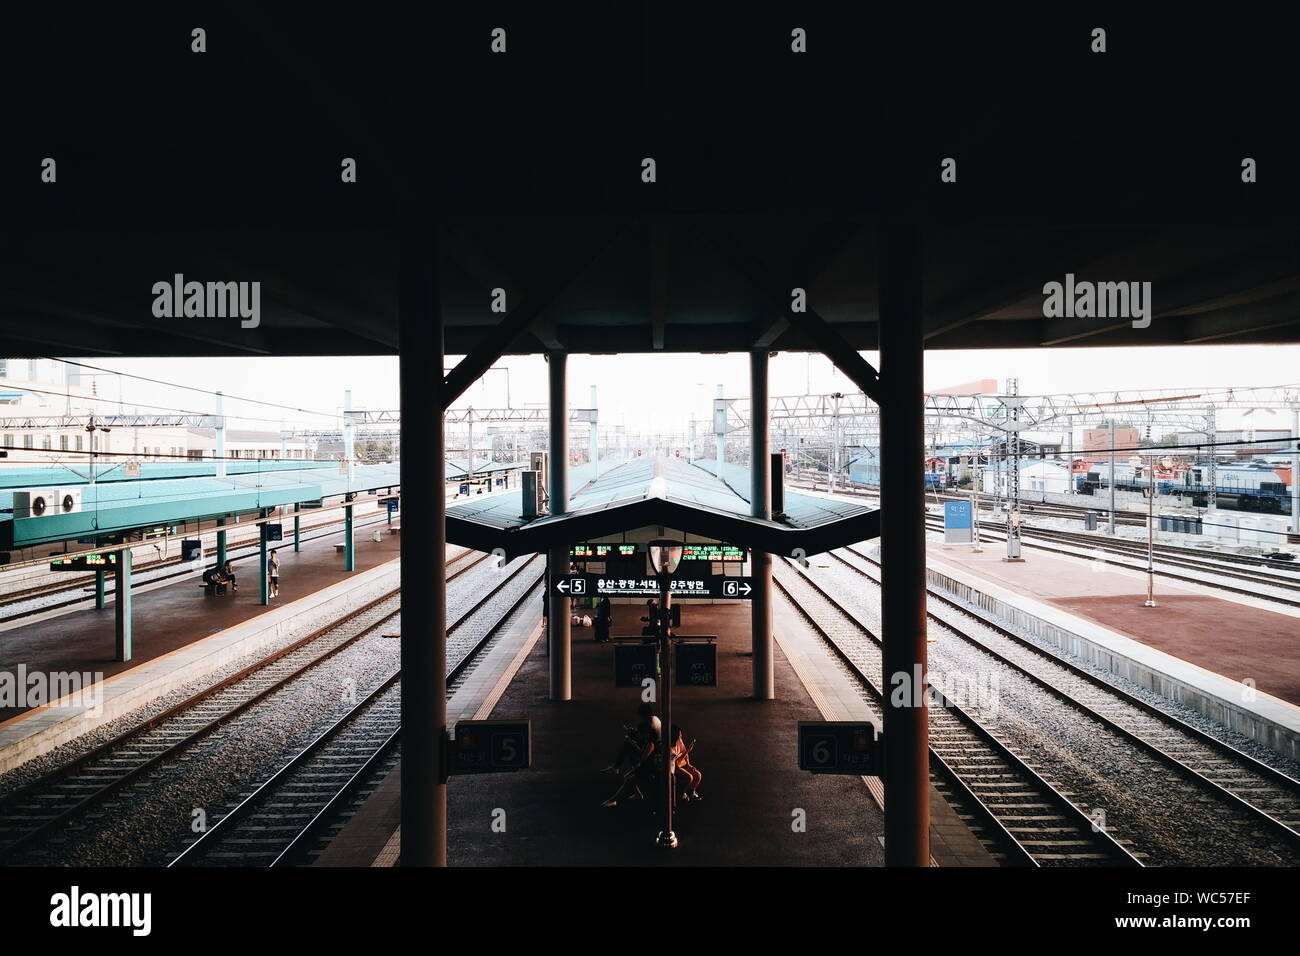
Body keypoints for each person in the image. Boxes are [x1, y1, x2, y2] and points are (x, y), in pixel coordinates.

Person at [601, 703, 661, 807]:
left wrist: (637, 765)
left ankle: (613, 799)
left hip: (651, 763)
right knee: (629, 745)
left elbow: (646, 751)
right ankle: (618, 768)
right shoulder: (653, 720)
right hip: (652, 755)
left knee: (628, 746)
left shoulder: (649, 736)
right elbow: (645, 738)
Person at [670, 723, 703, 801]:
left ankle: (691, 791)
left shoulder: (679, 741)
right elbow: (677, 761)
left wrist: (689, 764)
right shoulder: (670, 747)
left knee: (698, 775)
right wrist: (687, 751)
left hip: (681, 763)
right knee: (689, 777)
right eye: (679, 735)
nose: (680, 737)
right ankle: (681, 793)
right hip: (675, 766)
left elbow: (684, 752)